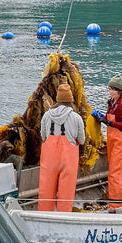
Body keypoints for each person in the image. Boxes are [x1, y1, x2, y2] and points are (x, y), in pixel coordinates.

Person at [38, 83, 85, 212]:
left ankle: (43, 217)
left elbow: (43, 136)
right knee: (66, 193)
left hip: (49, 158)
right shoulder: (76, 118)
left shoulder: (46, 116)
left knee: (46, 191)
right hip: (68, 159)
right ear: (70, 100)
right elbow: (81, 139)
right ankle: (64, 217)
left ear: (57, 100)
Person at [91, 75, 122, 208]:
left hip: (121, 145)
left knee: (116, 174)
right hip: (114, 144)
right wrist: (101, 117)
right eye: (110, 89)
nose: (111, 92)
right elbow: (113, 119)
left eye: (113, 89)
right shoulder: (112, 103)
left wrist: (108, 122)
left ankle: (116, 205)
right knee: (121, 174)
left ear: (119, 90)